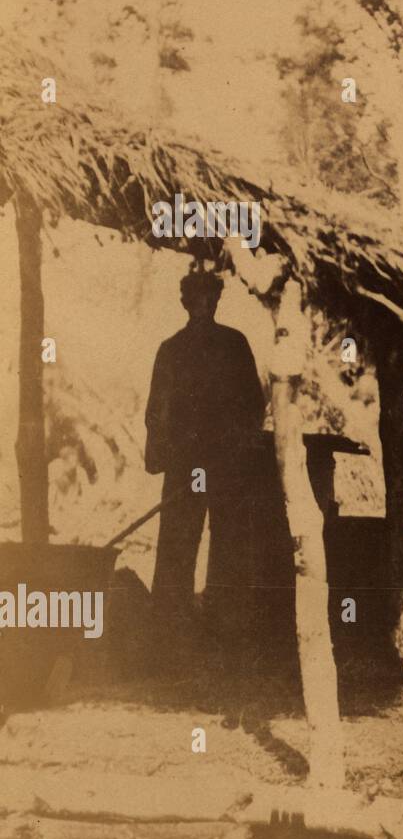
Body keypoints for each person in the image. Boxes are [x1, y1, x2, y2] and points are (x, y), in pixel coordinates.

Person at [145, 268, 264, 646]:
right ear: (184, 303)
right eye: (196, 300)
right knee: (178, 542)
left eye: (209, 300)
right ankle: (169, 631)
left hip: (226, 465)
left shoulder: (235, 345)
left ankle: (225, 630)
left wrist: (239, 446)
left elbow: (254, 405)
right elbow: (156, 411)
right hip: (186, 465)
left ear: (216, 302)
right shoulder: (170, 350)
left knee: (229, 542)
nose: (202, 307)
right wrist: (164, 455)